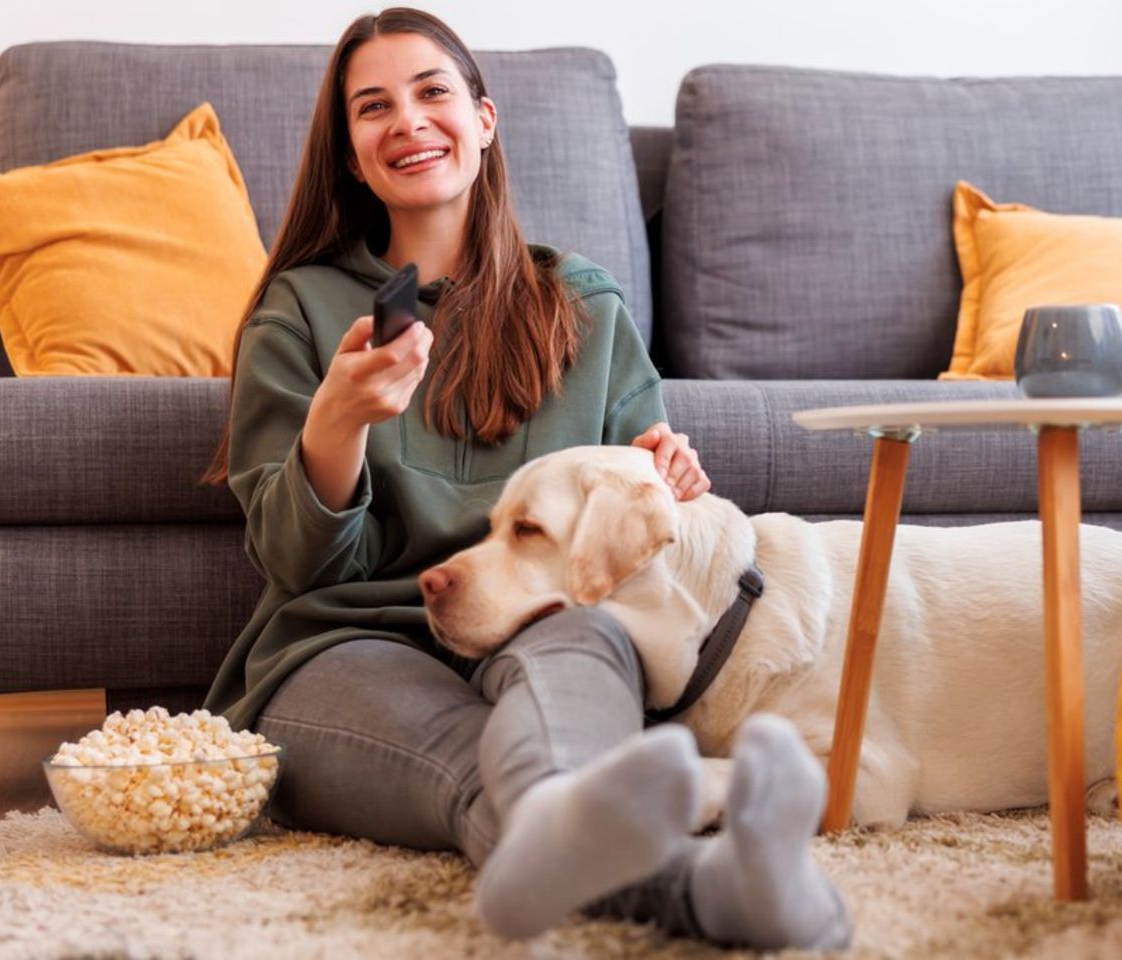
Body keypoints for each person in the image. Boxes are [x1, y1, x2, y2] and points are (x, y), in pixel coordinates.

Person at [199, 7, 852, 950]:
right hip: (344, 643)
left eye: (433, 93)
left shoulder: (580, 304)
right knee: (483, 772)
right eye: (373, 107)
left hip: (549, 626)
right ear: (351, 155)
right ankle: (718, 891)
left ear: (485, 119)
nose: (409, 122)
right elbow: (299, 566)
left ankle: (675, 875)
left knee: (572, 683)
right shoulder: (298, 312)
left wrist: (670, 477)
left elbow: (645, 510)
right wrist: (336, 422)